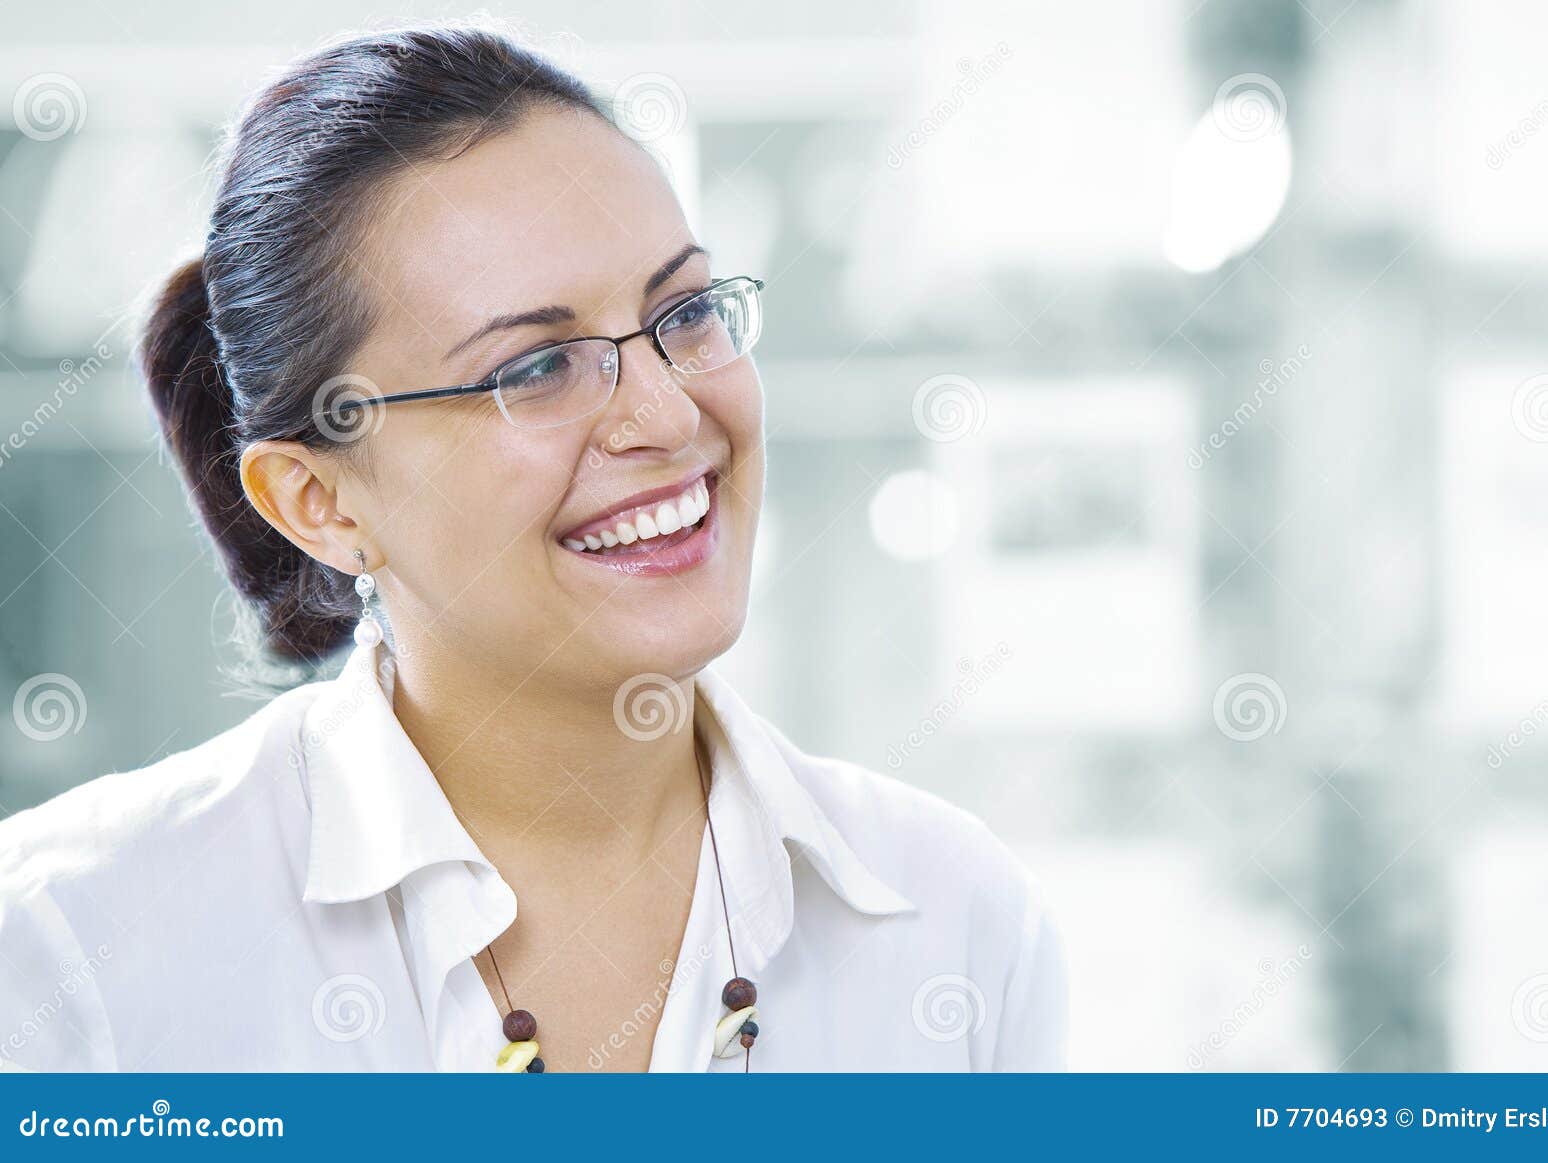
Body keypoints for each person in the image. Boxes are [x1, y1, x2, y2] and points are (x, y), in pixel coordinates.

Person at [0, 21, 1065, 1073]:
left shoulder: (953, 918)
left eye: (684, 311)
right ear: (319, 499)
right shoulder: (68, 946)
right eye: (535, 368)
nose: (664, 412)